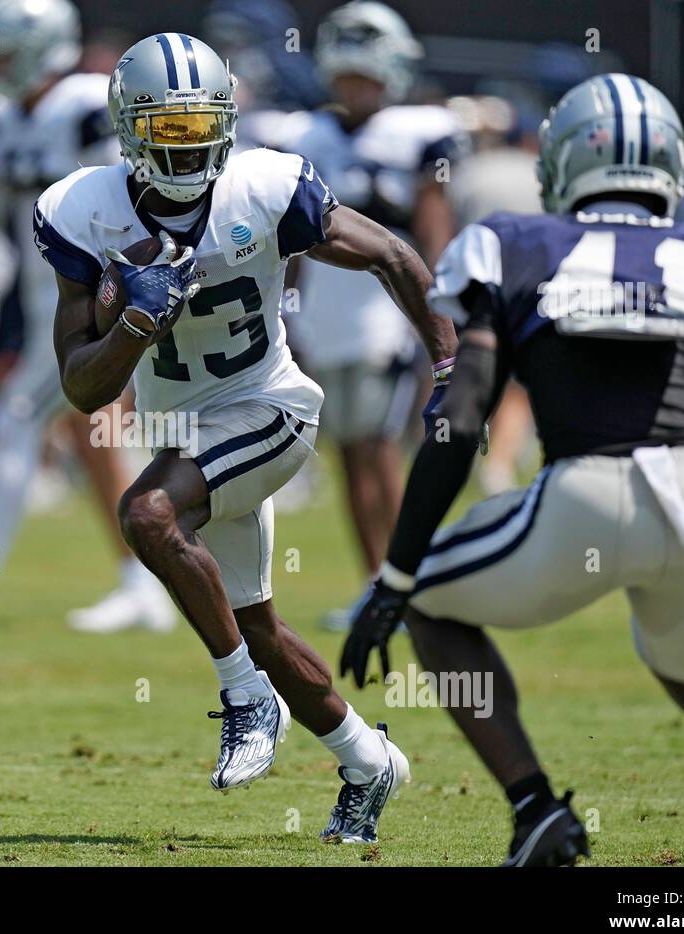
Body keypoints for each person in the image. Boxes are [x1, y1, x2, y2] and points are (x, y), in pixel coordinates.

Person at [344, 74, 684, 866]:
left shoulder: (513, 243)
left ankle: (535, 810)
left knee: (431, 607)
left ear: (562, 161)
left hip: (583, 493)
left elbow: (462, 419)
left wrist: (397, 573)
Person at [38, 33, 463, 842]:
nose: (190, 144)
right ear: (129, 129)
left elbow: (392, 255)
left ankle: (244, 699)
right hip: (185, 427)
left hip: (270, 407)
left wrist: (447, 360)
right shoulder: (81, 210)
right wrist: (134, 322)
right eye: (169, 128)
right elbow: (83, 385)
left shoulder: (265, 184)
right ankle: (369, 762)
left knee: (149, 516)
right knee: (254, 626)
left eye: (202, 125)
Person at [0, 0, 175, 634]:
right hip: (47, 306)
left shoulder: (84, 105)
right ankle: (144, 585)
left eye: (3, 48)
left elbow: (132, 194)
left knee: (16, 419)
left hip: (101, 302)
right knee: (90, 435)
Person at [292, 2, 467, 623]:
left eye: (363, 79)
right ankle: (375, 582)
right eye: (345, 79)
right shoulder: (308, 136)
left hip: (387, 313)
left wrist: (440, 315)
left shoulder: (421, 131)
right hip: (326, 309)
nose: (353, 90)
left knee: (380, 447)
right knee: (347, 449)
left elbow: (433, 225)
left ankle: (405, 583)